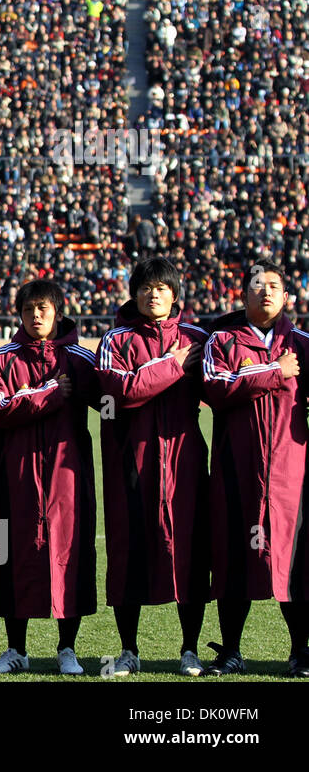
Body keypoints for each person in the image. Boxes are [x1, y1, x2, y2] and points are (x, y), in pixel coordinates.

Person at [0, 279, 99, 675]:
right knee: (14, 554)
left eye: (43, 309)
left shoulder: (80, 360)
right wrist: (46, 394)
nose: (35, 316)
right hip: (14, 476)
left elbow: (114, 399)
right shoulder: (1, 360)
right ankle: (16, 649)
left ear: (58, 313)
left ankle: (67, 649)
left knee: (71, 553)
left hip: (67, 476)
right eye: (29, 309)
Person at [96, 256, 209, 676]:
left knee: (190, 550)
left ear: (175, 294)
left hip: (186, 460)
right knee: (129, 549)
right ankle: (128, 650)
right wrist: (174, 365)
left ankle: (190, 649)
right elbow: (123, 391)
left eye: (162, 287)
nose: (154, 293)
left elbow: (221, 386)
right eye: (146, 286)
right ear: (134, 293)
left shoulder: (198, 337)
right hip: (133, 460)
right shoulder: (115, 340)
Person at [201, 259, 309, 676]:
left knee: (296, 563)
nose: (265, 291)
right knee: (234, 558)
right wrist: (271, 372)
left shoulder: (302, 343)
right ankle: (230, 651)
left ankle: (300, 650)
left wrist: (253, 375)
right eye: (257, 285)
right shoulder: (221, 342)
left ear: (285, 297)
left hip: (291, 475)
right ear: (243, 294)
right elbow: (215, 389)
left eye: (274, 286)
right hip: (236, 470)